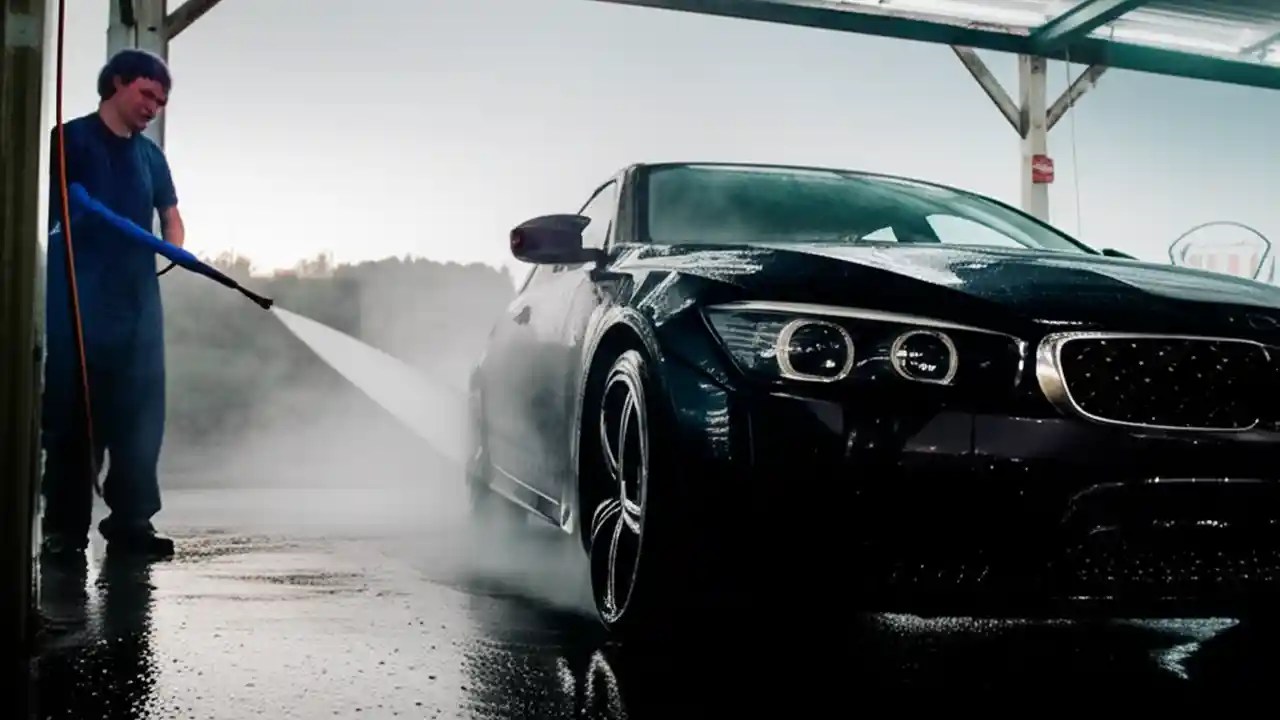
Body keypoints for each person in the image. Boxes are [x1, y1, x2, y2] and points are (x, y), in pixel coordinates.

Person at [41, 49, 184, 559]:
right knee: (74, 414)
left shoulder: (151, 157)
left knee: (142, 416)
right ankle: (63, 532)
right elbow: (68, 205)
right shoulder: (70, 138)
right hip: (79, 296)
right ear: (117, 83)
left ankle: (131, 525)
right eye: (147, 93)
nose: (154, 107)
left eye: (161, 101)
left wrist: (173, 250)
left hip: (139, 302)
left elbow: (169, 212)